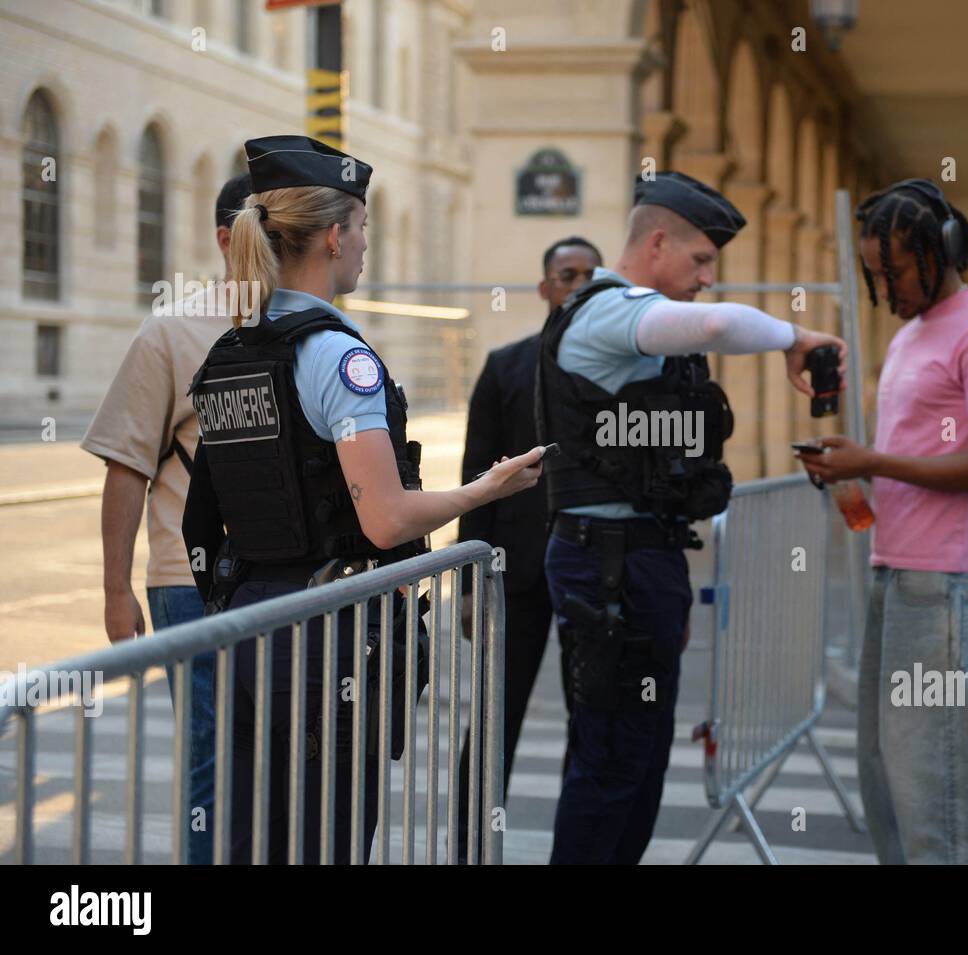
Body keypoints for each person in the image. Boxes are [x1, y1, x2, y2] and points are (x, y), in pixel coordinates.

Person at [182, 135, 543, 864]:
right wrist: (487, 488)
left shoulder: (229, 352)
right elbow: (384, 517)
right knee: (329, 835)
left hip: (248, 622)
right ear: (337, 235)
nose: (367, 245)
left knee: (258, 839)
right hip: (327, 631)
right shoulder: (335, 357)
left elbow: (200, 520)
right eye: (366, 227)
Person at [538, 171, 846, 864]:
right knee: (614, 762)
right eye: (700, 260)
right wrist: (795, 334)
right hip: (609, 563)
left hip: (634, 558)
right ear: (656, 242)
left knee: (635, 759)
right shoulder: (613, 310)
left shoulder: (629, 316)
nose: (707, 278)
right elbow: (717, 324)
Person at [797, 179, 968, 864]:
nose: (882, 283)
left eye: (893, 268)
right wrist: (855, 469)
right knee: (890, 783)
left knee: (940, 796)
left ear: (944, 249)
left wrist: (878, 462)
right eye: (873, 271)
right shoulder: (914, 333)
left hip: (943, 586)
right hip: (897, 574)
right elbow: (919, 450)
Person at [81, 172, 253, 865]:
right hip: (191, 581)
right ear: (224, 238)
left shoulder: (307, 327)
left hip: (296, 582)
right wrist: (116, 589)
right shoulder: (172, 330)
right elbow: (127, 465)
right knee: (210, 761)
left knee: (282, 759)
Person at [454, 235, 603, 856]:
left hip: (598, 572)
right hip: (513, 575)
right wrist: (466, 584)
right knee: (493, 721)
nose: (580, 285)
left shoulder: (615, 370)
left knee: (594, 724)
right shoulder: (505, 365)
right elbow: (475, 477)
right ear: (545, 287)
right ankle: (469, 848)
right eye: (567, 275)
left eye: (592, 276)